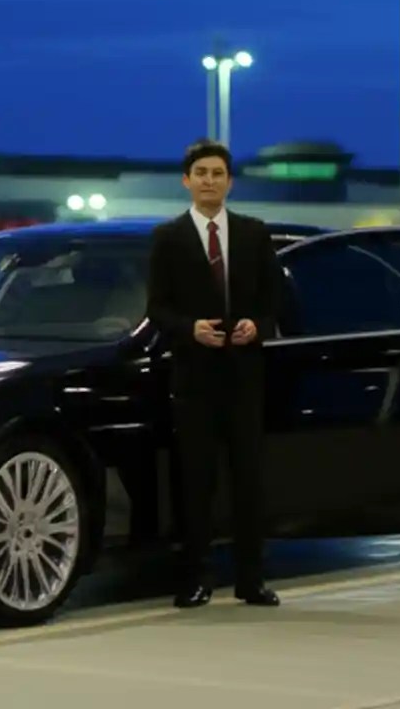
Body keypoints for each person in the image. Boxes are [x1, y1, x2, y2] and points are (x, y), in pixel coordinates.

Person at [145, 139, 283, 609]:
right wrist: (190, 329)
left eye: (217, 173)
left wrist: (257, 327)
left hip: (245, 375)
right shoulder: (168, 237)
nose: (209, 180)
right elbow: (156, 308)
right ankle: (196, 580)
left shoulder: (254, 233)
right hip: (193, 376)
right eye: (200, 173)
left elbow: (274, 302)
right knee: (196, 482)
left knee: (250, 480)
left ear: (229, 181)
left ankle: (251, 580)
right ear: (187, 181)